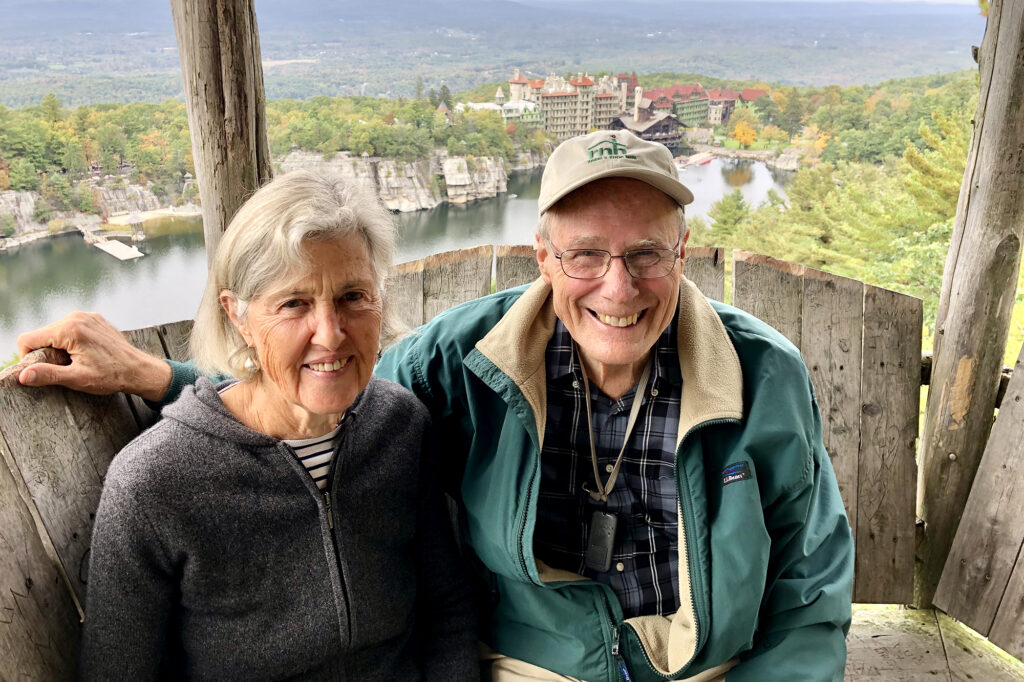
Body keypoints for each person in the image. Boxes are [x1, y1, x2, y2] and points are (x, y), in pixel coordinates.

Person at [19, 131, 853, 681]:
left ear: (683, 253)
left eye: (646, 255)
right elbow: (311, 393)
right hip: (539, 669)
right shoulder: (467, 361)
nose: (618, 286)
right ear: (543, 257)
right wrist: (159, 377)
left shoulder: (763, 377)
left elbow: (812, 585)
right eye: (586, 256)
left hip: (709, 669)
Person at [71, 170, 478, 680]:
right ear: (238, 316)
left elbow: (448, 609)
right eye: (294, 303)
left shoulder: (400, 427)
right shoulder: (155, 483)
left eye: (353, 296)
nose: (330, 334)